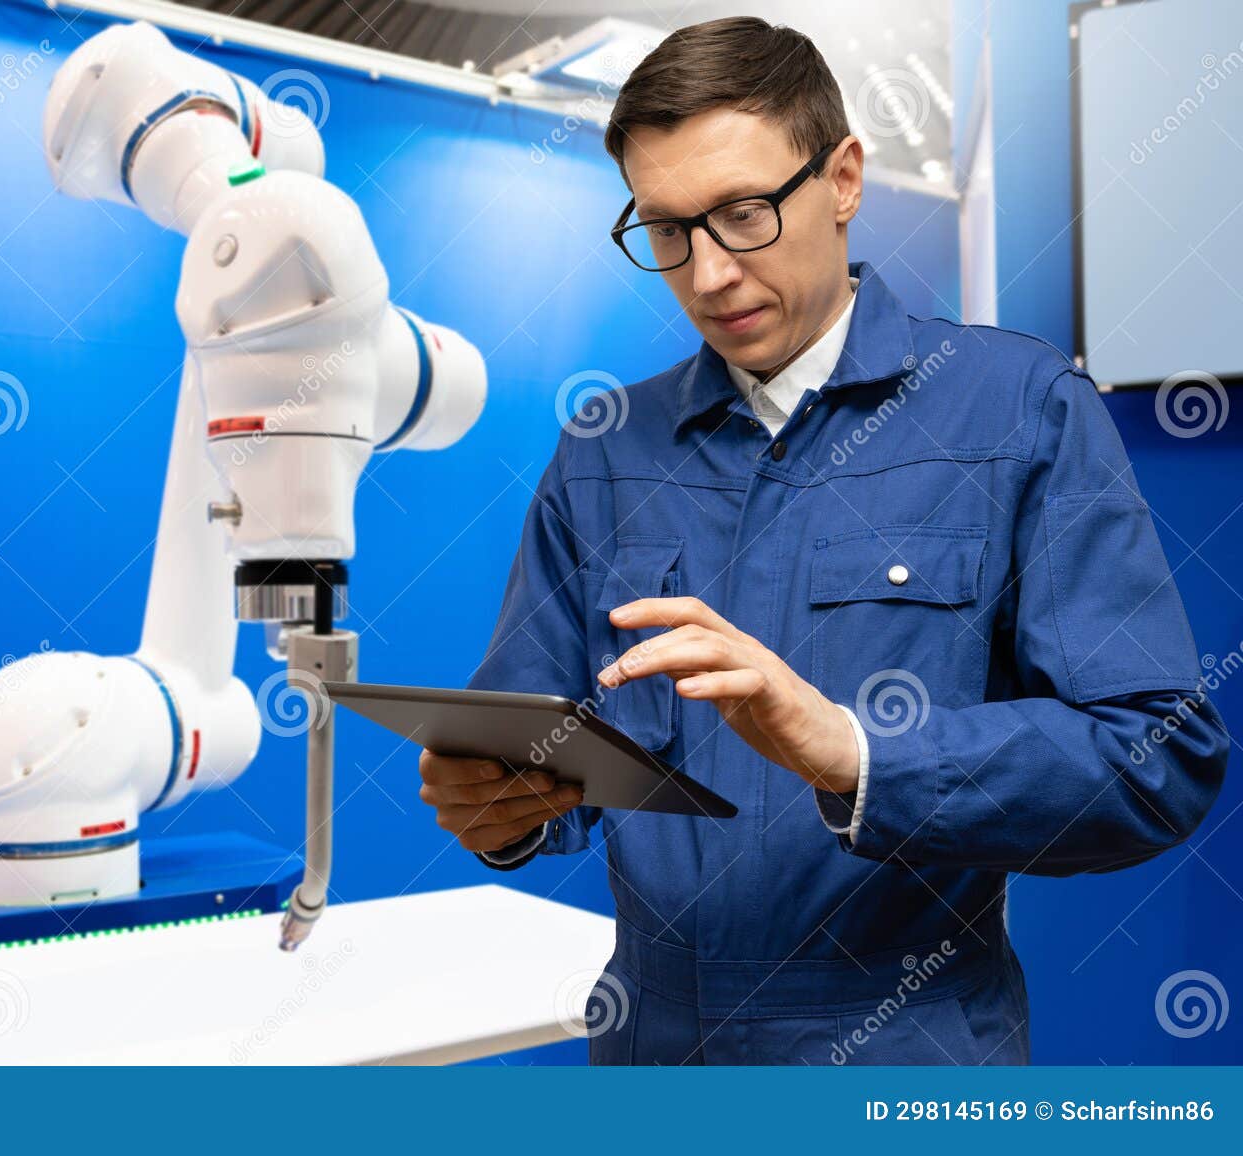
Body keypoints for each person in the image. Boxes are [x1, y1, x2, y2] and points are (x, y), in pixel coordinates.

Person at [415, 16, 1227, 1065]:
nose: (706, 274)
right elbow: (545, 748)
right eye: (666, 231)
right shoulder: (604, 448)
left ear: (842, 178)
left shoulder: (1016, 407)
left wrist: (853, 749)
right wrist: (501, 806)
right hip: (652, 1056)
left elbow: (1157, 759)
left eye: (743, 214)